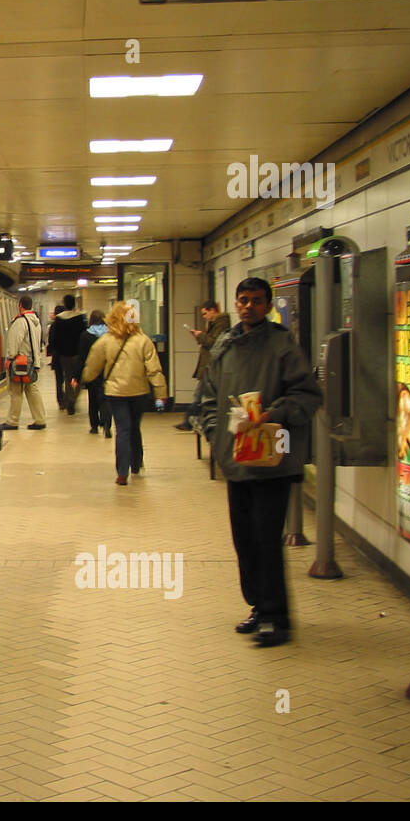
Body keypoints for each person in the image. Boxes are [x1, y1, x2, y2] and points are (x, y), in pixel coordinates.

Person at [196, 278, 321, 648]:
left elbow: (308, 395)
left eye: (256, 300)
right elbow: (209, 396)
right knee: (245, 540)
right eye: (243, 300)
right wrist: (216, 435)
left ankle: (275, 616)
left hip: (272, 461)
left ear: (268, 305)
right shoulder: (224, 345)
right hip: (236, 460)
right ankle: (257, 606)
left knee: (268, 539)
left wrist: (274, 414)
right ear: (235, 303)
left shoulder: (283, 346)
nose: (248, 306)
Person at [80, 301, 168, 485]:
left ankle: (122, 472)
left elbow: (93, 364)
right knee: (134, 427)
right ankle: (136, 464)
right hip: (139, 392)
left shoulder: (105, 340)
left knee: (123, 429)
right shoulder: (143, 340)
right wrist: (161, 393)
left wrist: (85, 378)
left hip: (115, 393)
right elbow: (154, 370)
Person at [175, 300, 231, 431]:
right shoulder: (214, 323)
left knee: (199, 396)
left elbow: (215, 343)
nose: (204, 317)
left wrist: (200, 336)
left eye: (205, 313)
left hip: (210, 366)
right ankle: (190, 420)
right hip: (208, 365)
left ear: (213, 310)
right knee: (199, 395)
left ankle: (190, 420)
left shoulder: (221, 322)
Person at [0, 295, 45, 431]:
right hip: (32, 362)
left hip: (20, 362)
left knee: (16, 390)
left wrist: (9, 358)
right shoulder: (35, 321)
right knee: (32, 390)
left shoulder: (21, 321)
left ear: (20, 305)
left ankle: (13, 421)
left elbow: (15, 341)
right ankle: (40, 419)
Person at [71, 309, 112, 437]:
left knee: (93, 399)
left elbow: (81, 358)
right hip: (107, 372)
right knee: (106, 399)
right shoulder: (110, 335)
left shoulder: (85, 336)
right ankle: (106, 424)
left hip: (92, 372)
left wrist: (76, 377)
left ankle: (94, 426)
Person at [48, 294, 88, 415]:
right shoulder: (80, 318)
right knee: (78, 378)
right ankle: (73, 399)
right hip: (77, 354)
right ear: (74, 304)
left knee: (67, 378)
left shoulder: (59, 319)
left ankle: (69, 399)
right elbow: (83, 336)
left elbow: (55, 339)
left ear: (65, 304)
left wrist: (57, 352)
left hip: (63, 355)